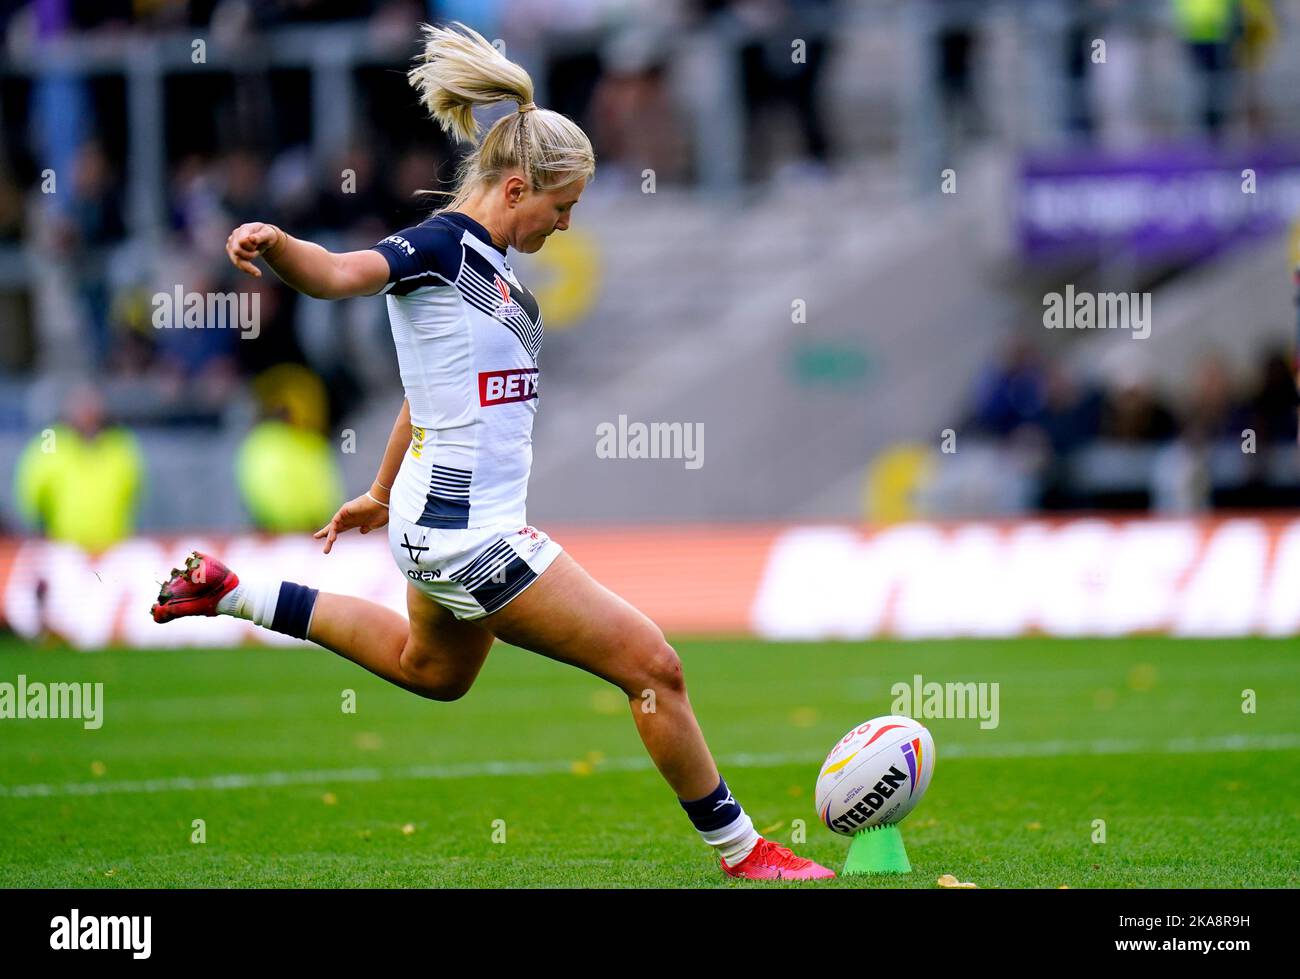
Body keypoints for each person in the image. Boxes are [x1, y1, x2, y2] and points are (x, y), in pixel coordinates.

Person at [151, 21, 833, 881]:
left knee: (429, 669)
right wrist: (276, 247)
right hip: (471, 535)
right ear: (516, 188)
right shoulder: (439, 246)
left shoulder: (497, 273)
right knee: (654, 665)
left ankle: (234, 591)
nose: (567, 221)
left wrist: (378, 486)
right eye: (563, 205)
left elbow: (428, 390)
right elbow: (339, 272)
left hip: (437, 521)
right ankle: (745, 853)